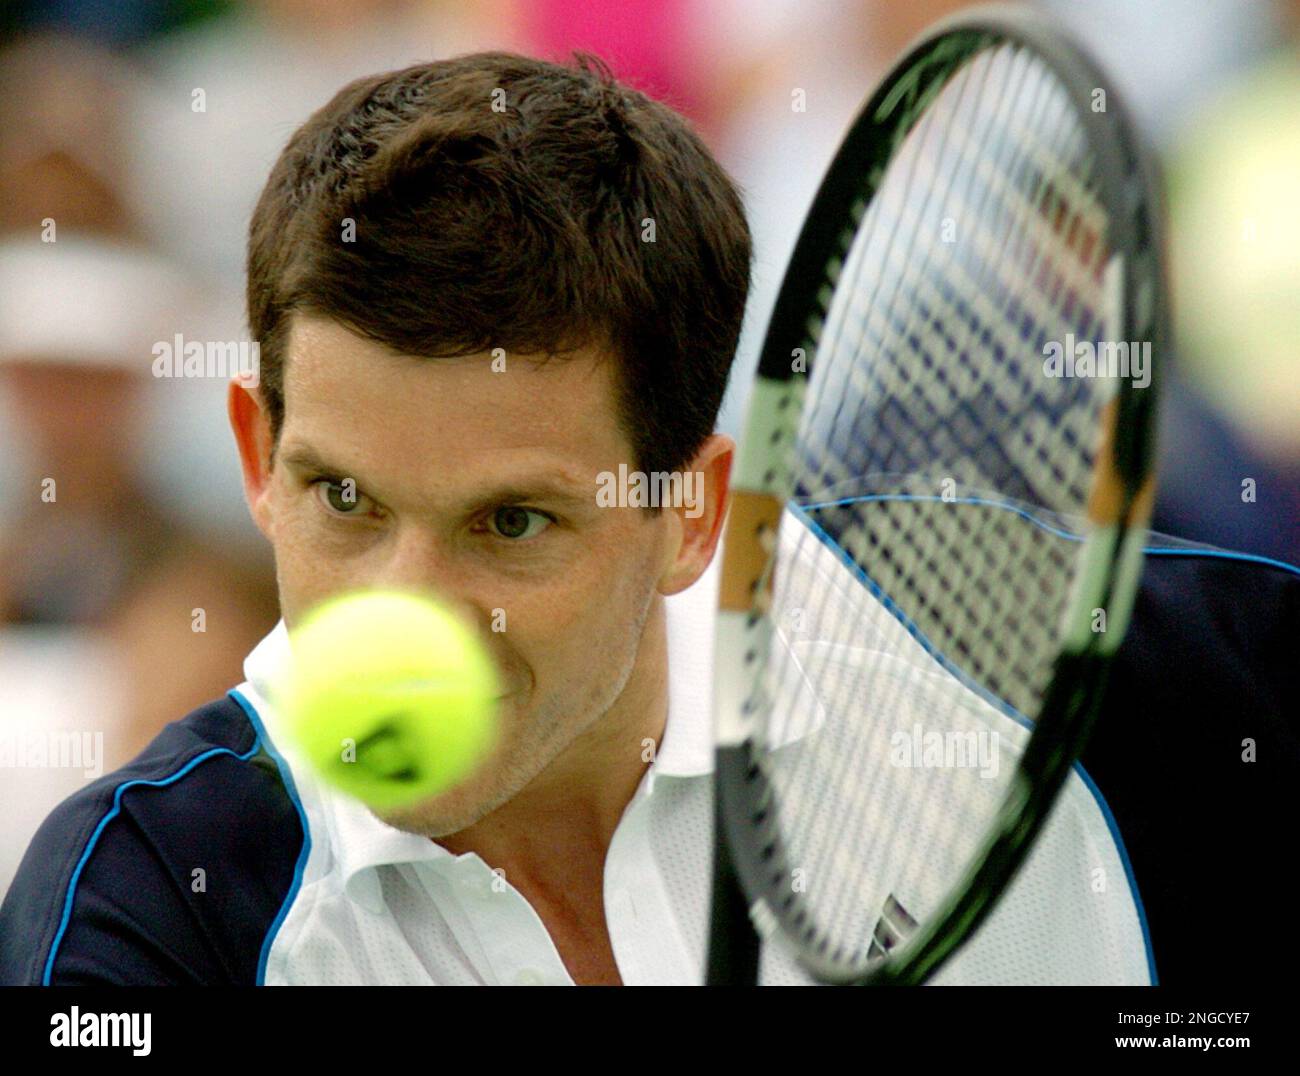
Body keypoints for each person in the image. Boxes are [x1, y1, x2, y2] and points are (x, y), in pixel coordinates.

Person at [0, 51, 1153, 986]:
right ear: (258, 456)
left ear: (691, 512)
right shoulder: (146, 904)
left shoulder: (1046, 658)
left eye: (510, 521)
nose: (404, 610)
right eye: (343, 498)